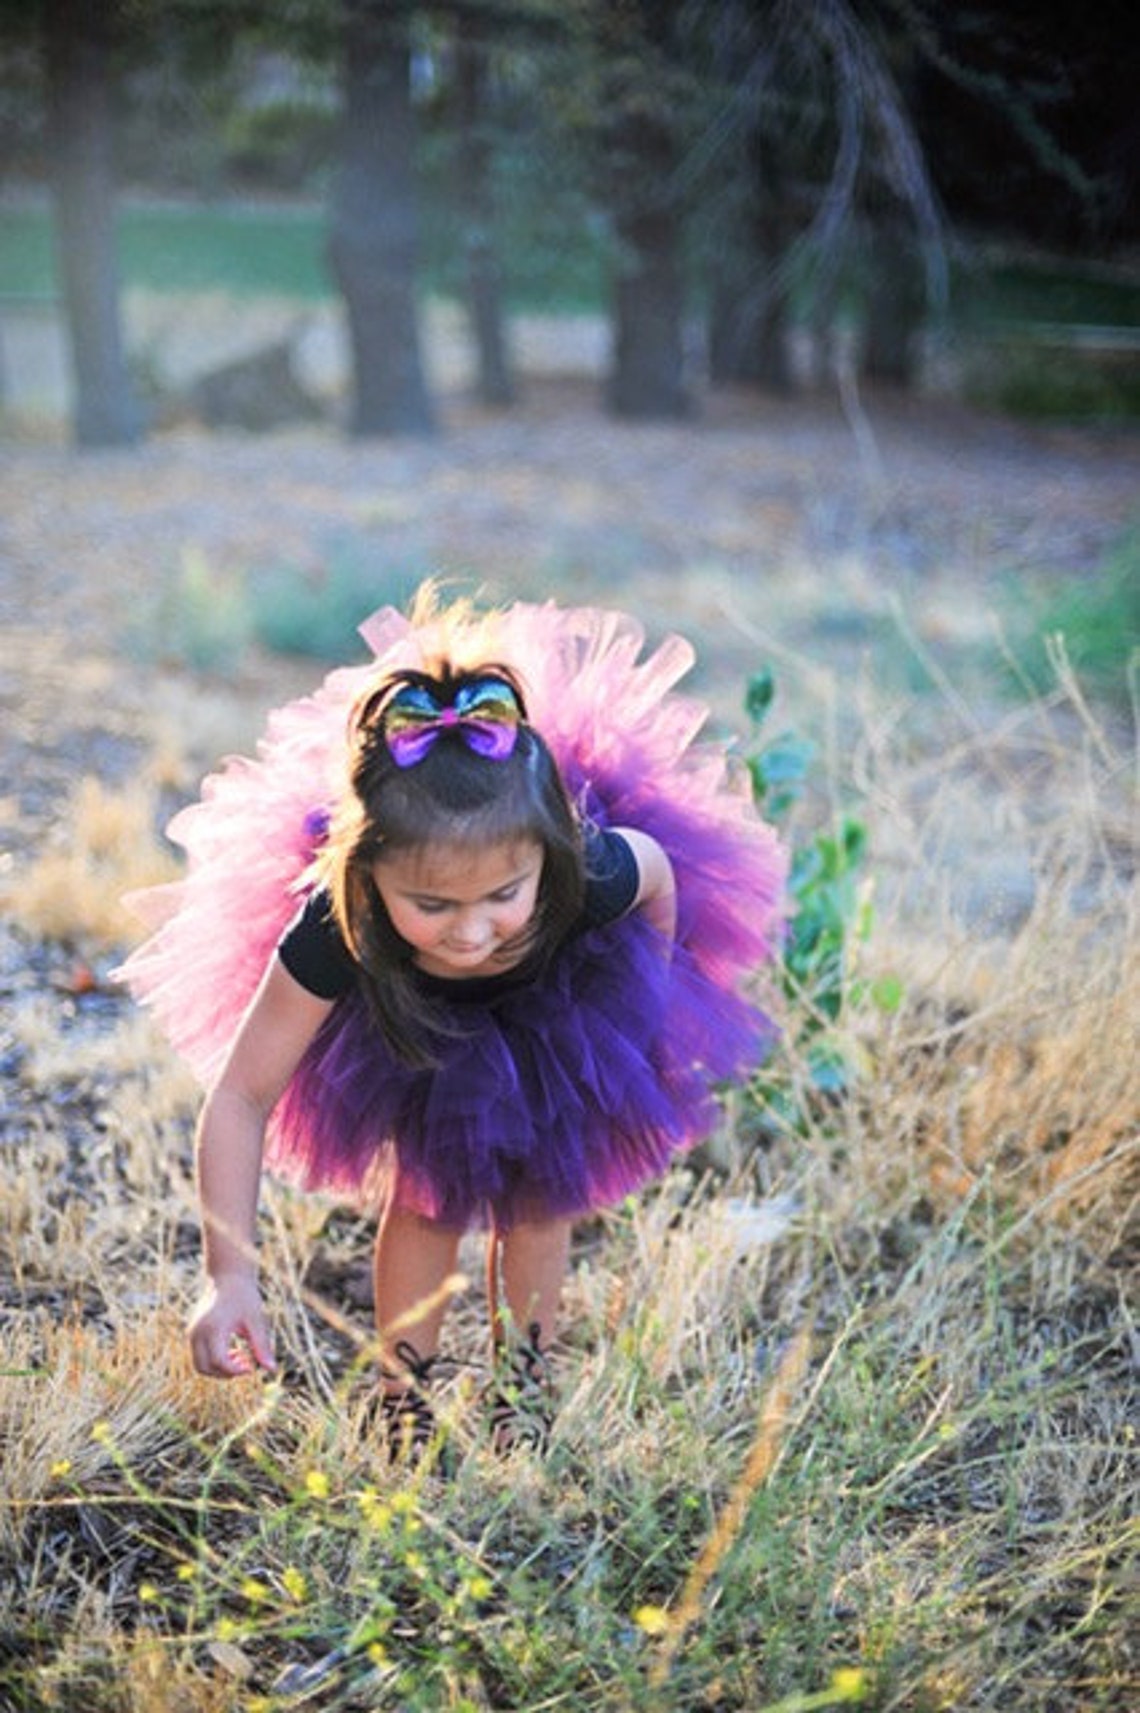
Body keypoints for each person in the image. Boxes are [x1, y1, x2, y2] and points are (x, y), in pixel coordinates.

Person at [118, 587, 786, 1459]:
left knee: (541, 1203)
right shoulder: (337, 924)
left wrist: (648, 999)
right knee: (427, 1202)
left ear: (548, 854)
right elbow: (242, 1096)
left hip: (554, 1018)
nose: (471, 931)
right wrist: (229, 1274)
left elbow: (659, 873)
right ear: (366, 875)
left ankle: (523, 1392)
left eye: (502, 894)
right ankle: (402, 1390)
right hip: (411, 1033)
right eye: (431, 904)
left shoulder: (590, 873)